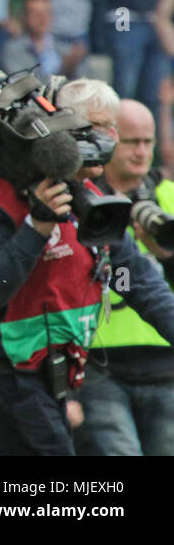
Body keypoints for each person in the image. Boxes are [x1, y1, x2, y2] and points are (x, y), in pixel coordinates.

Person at [0, 76, 174, 455]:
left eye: (112, 126)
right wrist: (36, 227)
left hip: (54, 374)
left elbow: (143, 285)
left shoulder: (93, 201)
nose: (109, 137)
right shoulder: (1, 200)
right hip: (3, 373)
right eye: (97, 126)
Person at [74, 98, 174, 455]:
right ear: (108, 139)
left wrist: (167, 255)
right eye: (131, 142)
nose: (141, 152)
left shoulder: (169, 197)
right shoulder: (82, 201)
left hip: (165, 360)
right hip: (102, 361)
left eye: (148, 141)